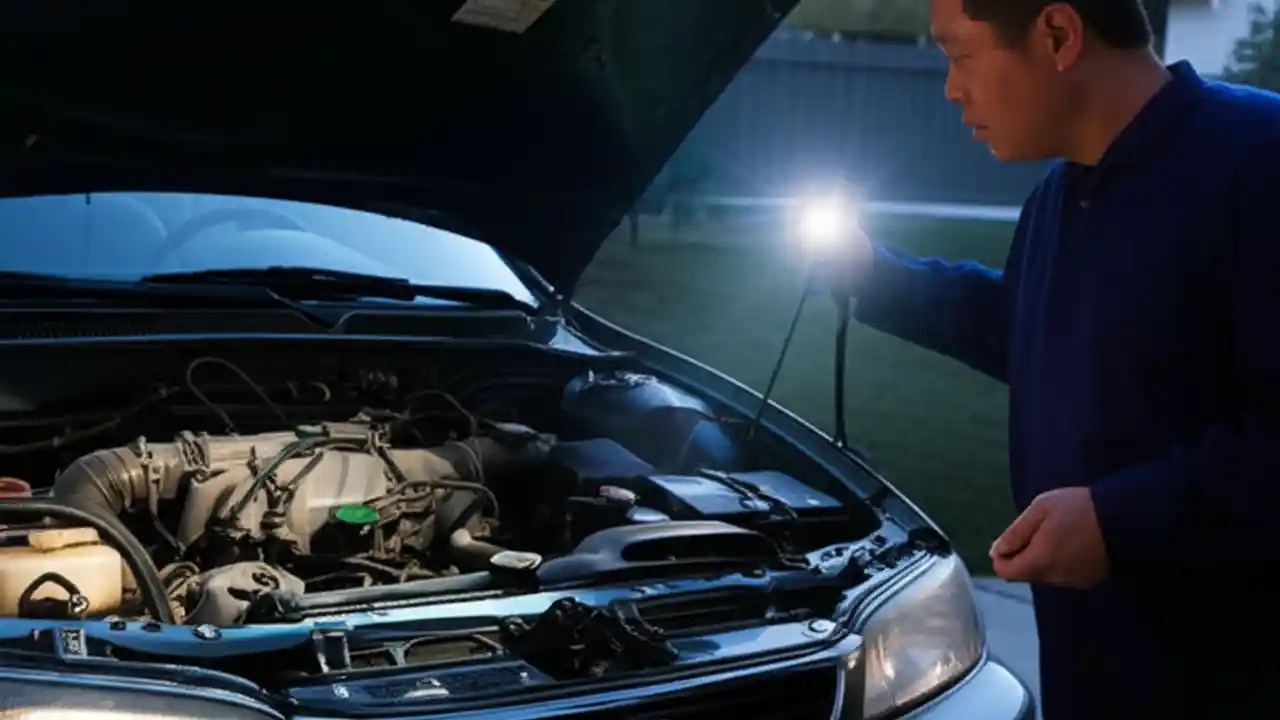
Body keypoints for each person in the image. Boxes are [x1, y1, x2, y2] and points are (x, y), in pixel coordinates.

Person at [831, 1, 1280, 717]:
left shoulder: (1257, 163)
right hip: (1093, 673)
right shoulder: (1062, 194)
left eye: (961, 53)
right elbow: (1036, 329)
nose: (950, 86)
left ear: (1058, 34)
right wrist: (872, 276)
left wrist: (1119, 521)